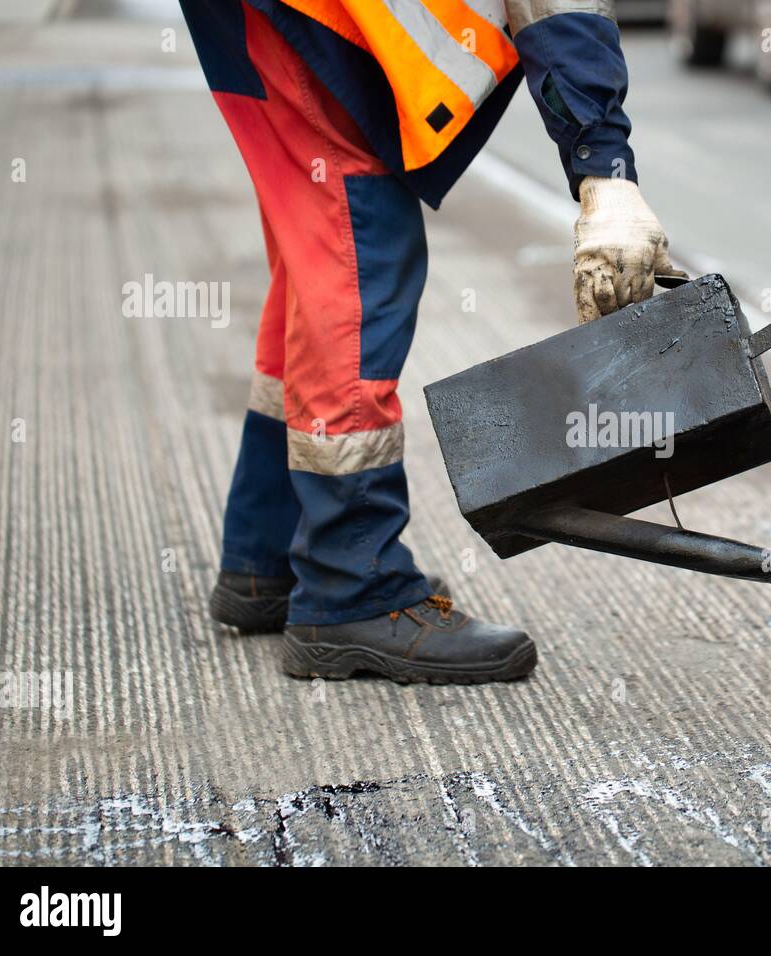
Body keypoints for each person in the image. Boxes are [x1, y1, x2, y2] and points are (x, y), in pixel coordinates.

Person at [181, 0, 681, 686]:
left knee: (317, 246)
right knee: (361, 244)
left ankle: (267, 554)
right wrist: (606, 169)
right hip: (315, 17)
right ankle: (350, 585)